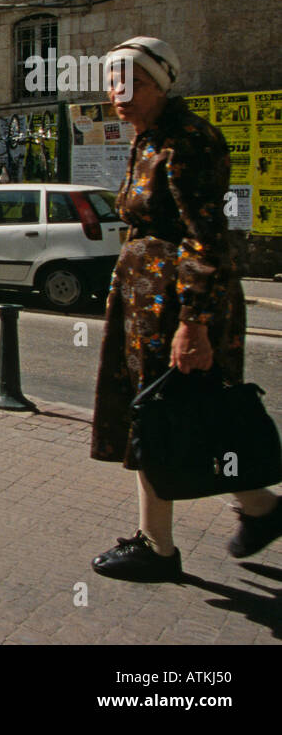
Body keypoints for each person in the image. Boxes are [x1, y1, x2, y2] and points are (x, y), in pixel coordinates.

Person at [90, 36, 282, 582]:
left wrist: (192, 323)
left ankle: (160, 546)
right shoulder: (148, 137)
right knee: (176, 414)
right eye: (113, 82)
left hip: (177, 308)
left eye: (134, 82)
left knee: (165, 416)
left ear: (160, 84)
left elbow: (206, 237)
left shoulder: (189, 140)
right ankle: (259, 509)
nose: (120, 93)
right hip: (148, 307)